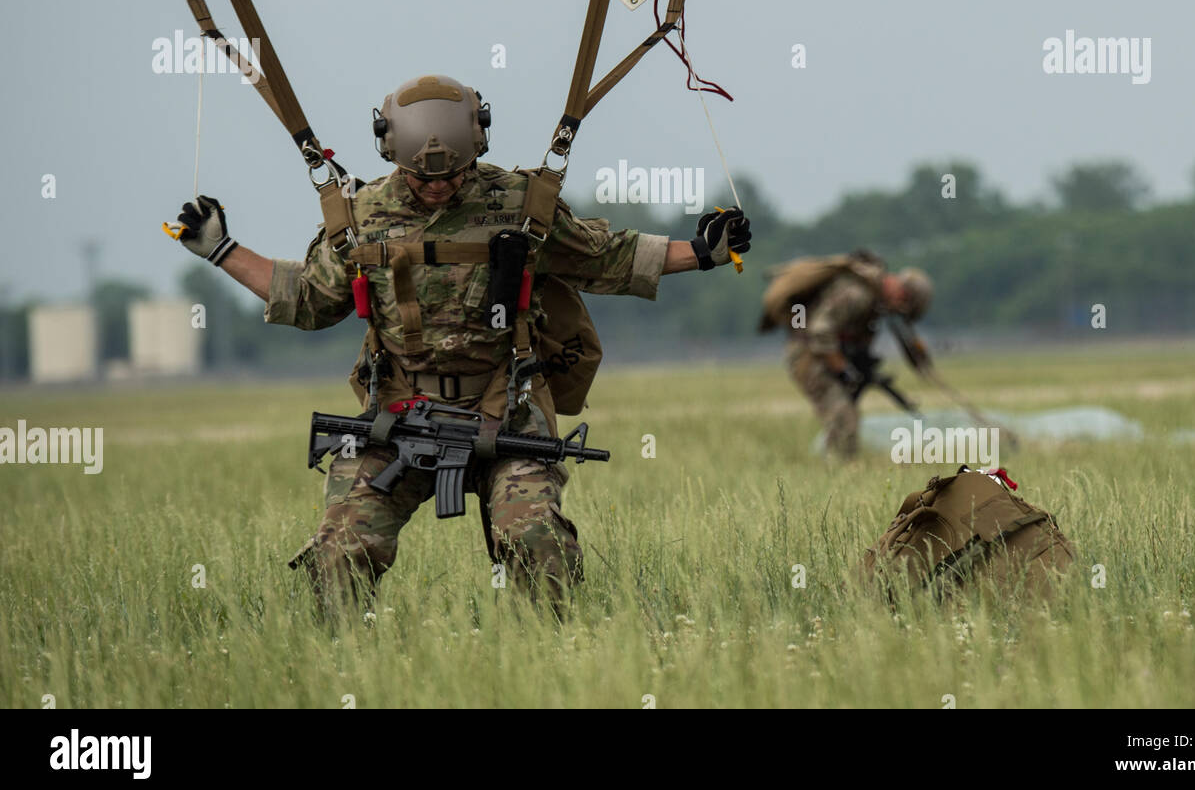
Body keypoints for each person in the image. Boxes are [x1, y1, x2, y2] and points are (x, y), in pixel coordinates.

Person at [173, 73, 751, 617]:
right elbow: (308, 298)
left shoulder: (523, 205)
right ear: (392, 155)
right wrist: (222, 251)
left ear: (477, 143)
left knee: (536, 538)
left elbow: (608, 260)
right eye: (423, 177)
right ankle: (337, 665)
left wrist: (704, 253)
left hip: (509, 416)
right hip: (398, 420)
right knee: (341, 547)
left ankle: (552, 665)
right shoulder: (360, 217)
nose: (438, 185)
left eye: (452, 172)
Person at [776, 252, 932, 460]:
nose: (897, 312)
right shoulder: (858, 294)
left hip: (821, 353)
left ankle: (833, 463)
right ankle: (839, 470)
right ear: (901, 294)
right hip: (807, 354)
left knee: (844, 413)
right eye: (902, 309)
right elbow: (820, 331)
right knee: (843, 416)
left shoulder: (873, 301)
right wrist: (844, 370)